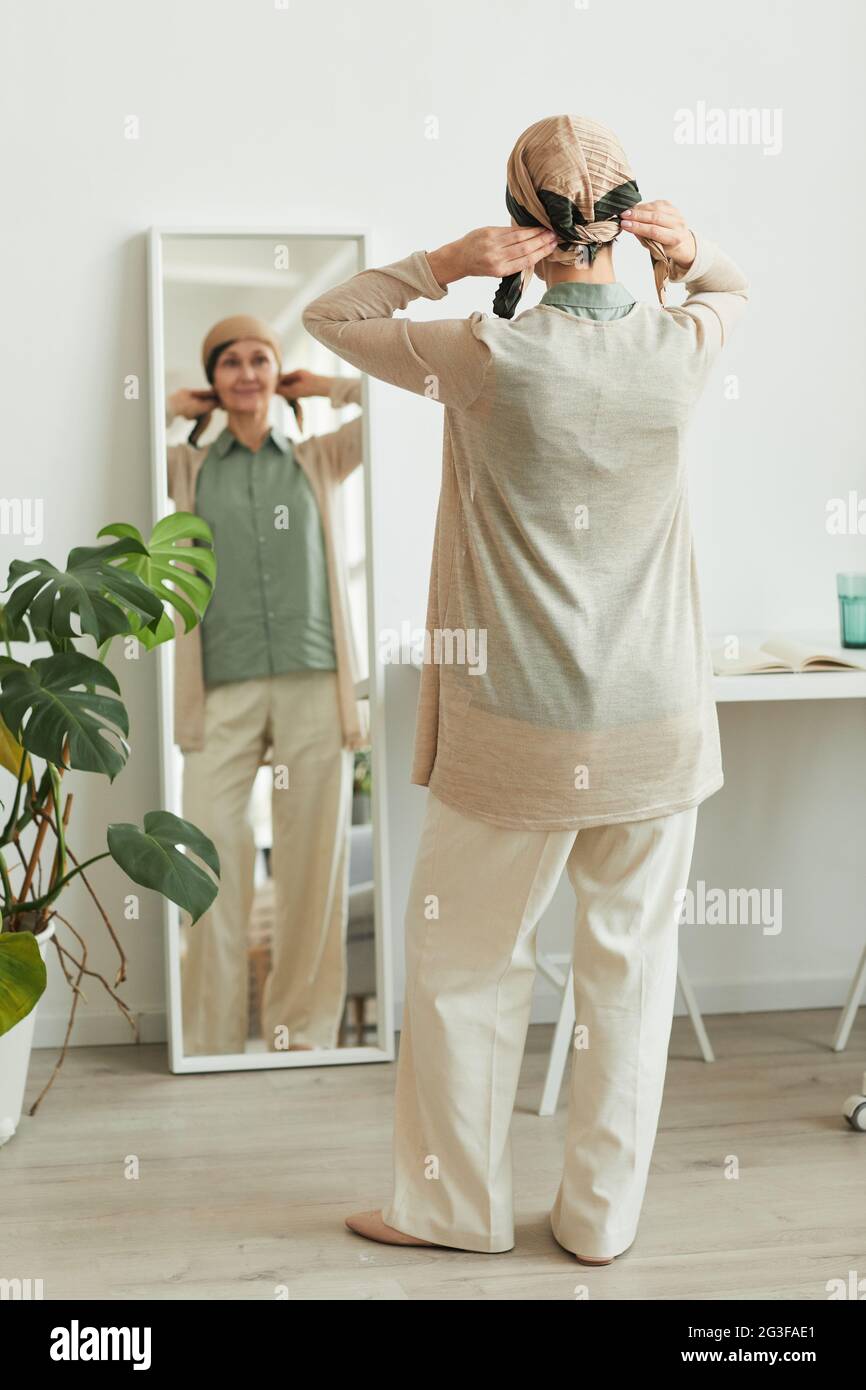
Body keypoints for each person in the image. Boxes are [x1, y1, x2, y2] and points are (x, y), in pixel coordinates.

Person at [301, 114, 749, 1262]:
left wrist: (448, 263)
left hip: (516, 732)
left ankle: (449, 1208)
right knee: (628, 974)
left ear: (519, 223)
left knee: (463, 966)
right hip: (655, 729)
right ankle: (598, 1224)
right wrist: (684, 253)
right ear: (627, 222)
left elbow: (332, 315)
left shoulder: (478, 353)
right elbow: (727, 287)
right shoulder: (681, 343)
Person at [166, 314, 368, 1054]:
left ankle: (301, 1033)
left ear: (278, 374)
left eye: (261, 360)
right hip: (221, 685)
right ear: (212, 382)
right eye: (229, 364)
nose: (246, 373)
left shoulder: (317, 456)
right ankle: (211, 1042)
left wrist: (332, 384)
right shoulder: (187, 469)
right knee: (207, 856)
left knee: (313, 859)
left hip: (316, 679)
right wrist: (172, 407)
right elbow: (118, 438)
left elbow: (402, 409)